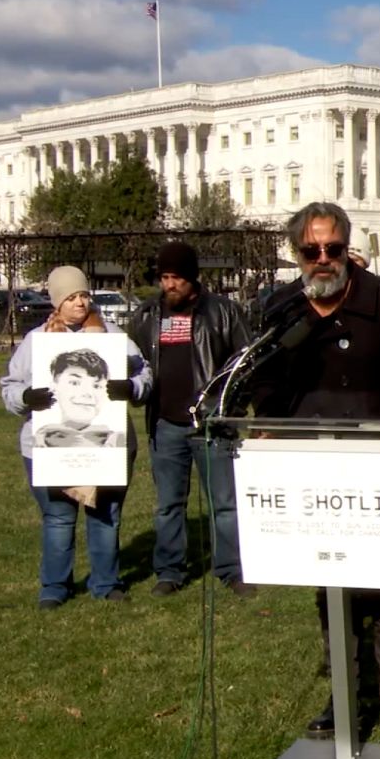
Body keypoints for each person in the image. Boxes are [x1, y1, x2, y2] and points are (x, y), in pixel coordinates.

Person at [251, 202, 380, 743]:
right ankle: (344, 691)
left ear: (347, 248)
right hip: (308, 464)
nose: (322, 259)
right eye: (311, 251)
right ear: (297, 254)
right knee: (331, 584)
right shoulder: (283, 309)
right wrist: (265, 424)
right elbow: (264, 381)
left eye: (333, 249)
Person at [0, 266, 152, 608]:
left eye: (84, 295)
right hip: (45, 448)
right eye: (71, 297)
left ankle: (106, 583)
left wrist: (132, 387)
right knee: (58, 518)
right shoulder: (36, 341)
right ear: (57, 303)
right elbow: (9, 386)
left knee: (105, 515)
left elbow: (145, 373)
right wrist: (27, 398)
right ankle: (54, 588)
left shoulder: (113, 337)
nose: (80, 303)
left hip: (108, 446)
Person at [129, 242, 254, 598]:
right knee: (169, 504)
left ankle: (231, 569)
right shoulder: (146, 316)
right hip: (165, 424)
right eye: (165, 277)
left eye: (177, 278)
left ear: (192, 279)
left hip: (211, 424)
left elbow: (245, 365)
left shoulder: (223, 312)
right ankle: (169, 570)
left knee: (224, 502)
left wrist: (230, 408)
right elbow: (134, 363)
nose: (170, 285)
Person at [34, 349, 123, 448]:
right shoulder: (37, 441)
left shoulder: (118, 442)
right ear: (54, 387)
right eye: (75, 383)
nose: (88, 393)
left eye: (96, 386)